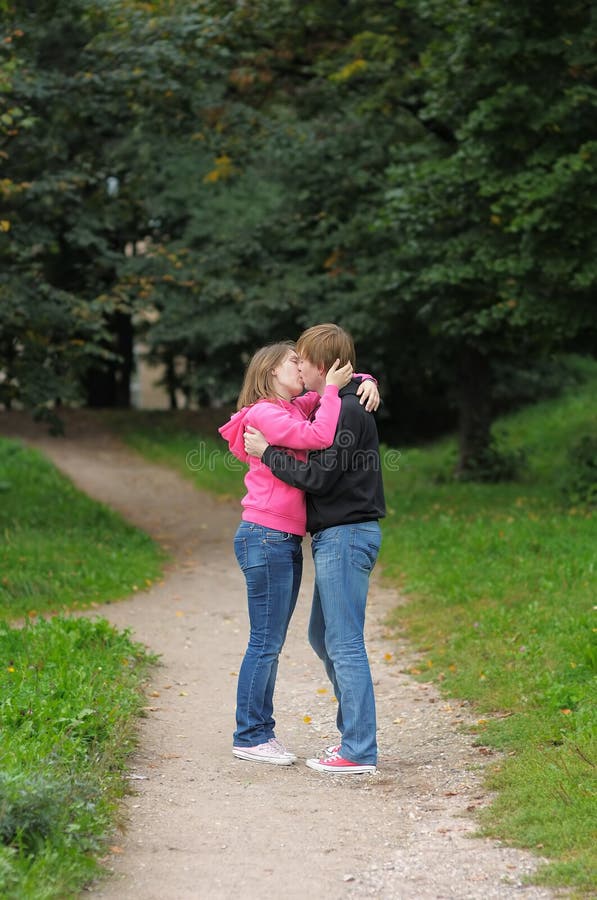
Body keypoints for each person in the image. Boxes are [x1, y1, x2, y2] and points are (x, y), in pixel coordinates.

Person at [218, 340, 379, 766]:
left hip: (283, 537)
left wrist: (368, 381)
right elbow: (321, 432)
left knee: (278, 639)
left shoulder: (292, 406)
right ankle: (251, 734)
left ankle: (264, 733)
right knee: (265, 642)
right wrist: (332, 390)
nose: (299, 367)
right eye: (292, 361)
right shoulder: (266, 413)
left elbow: (336, 385)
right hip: (266, 534)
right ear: (271, 371)